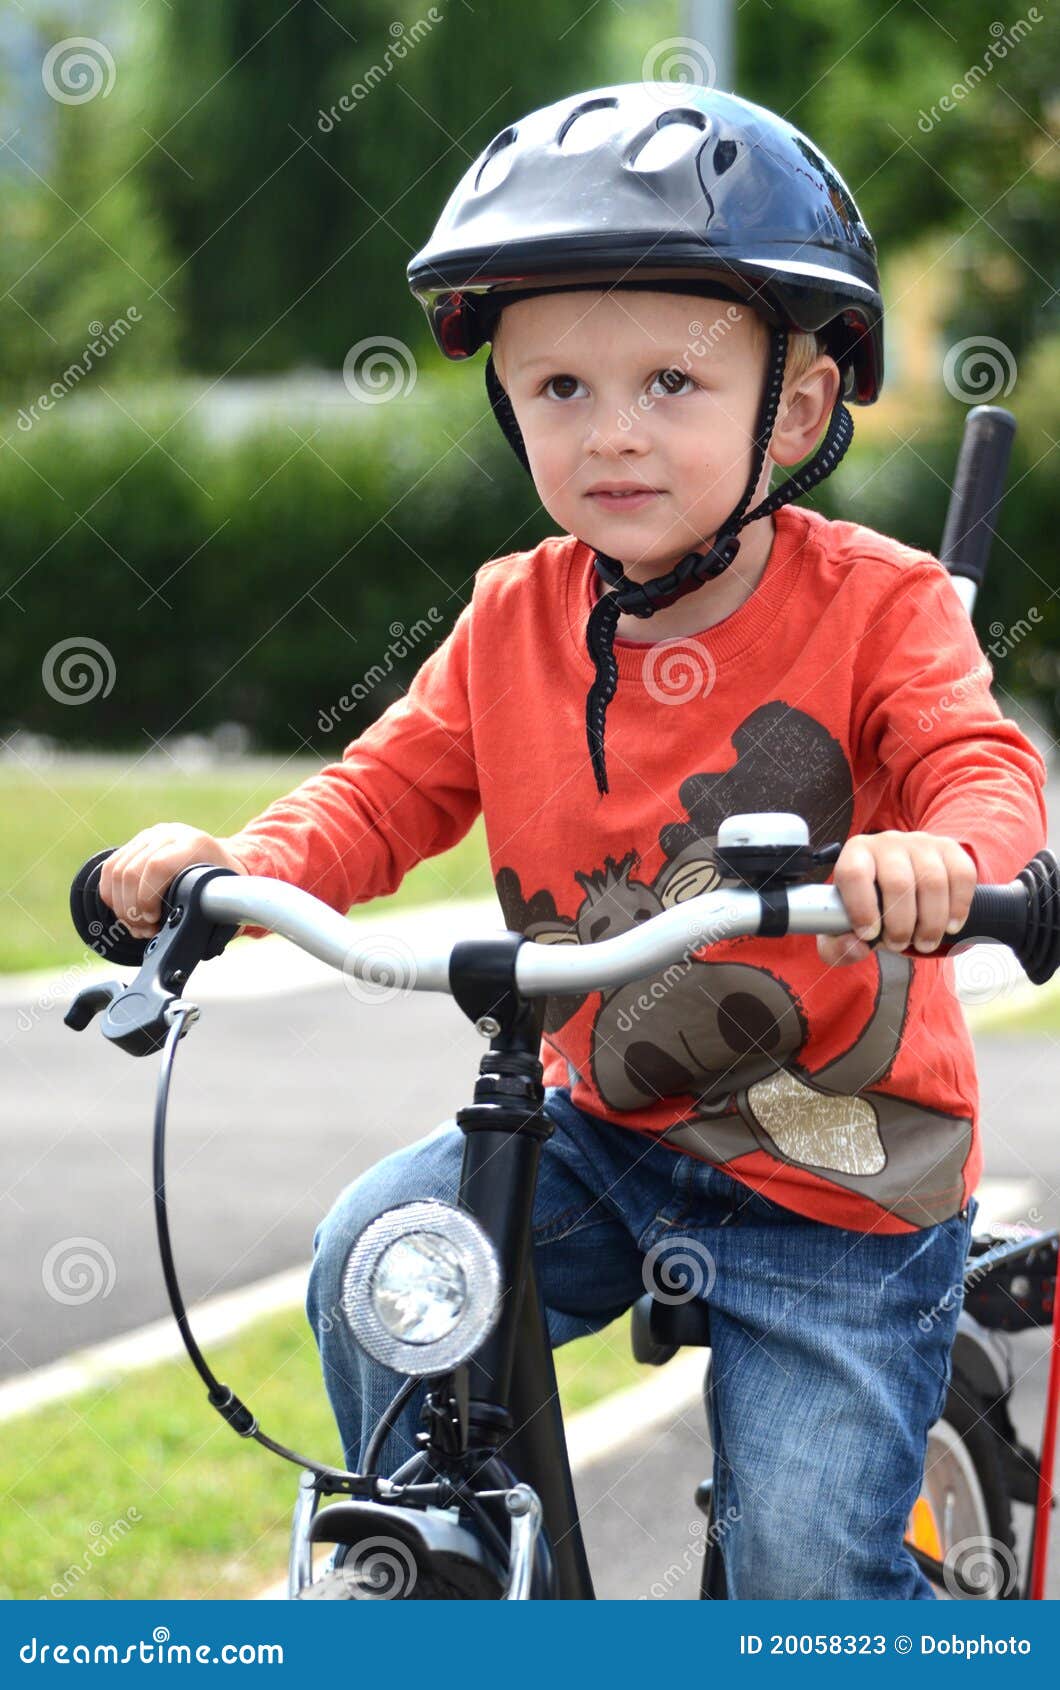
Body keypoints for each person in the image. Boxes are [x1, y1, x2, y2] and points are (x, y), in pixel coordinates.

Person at [98, 85, 1047, 1598]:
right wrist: (233, 864)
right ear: (510, 403)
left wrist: (949, 857)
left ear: (793, 411)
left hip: (840, 1175)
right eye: (559, 390)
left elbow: (977, 763)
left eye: (672, 382)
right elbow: (381, 790)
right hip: (600, 1138)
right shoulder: (509, 616)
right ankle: (486, 1590)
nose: (611, 433)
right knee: (375, 1255)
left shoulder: (882, 606)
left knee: (806, 1564)